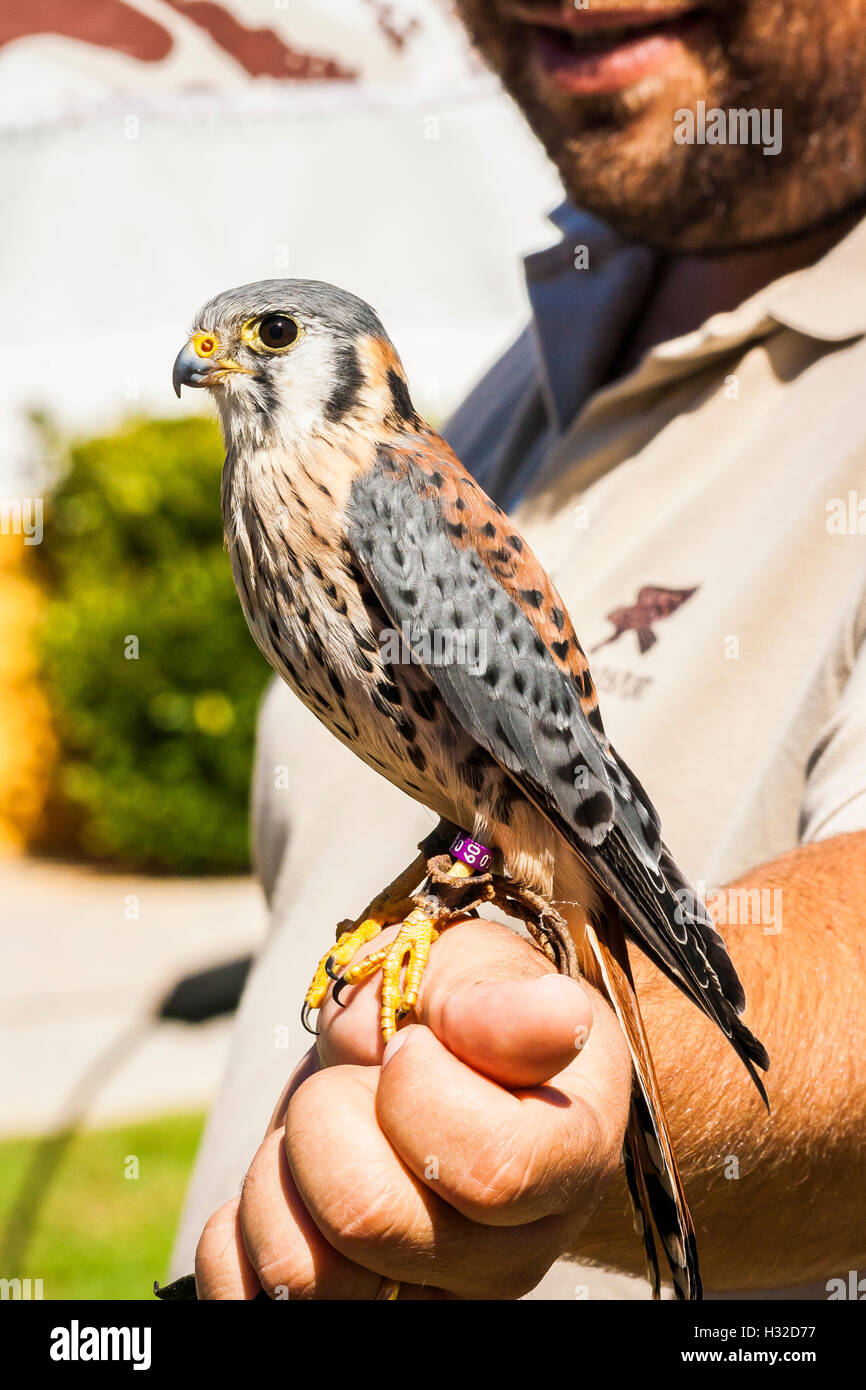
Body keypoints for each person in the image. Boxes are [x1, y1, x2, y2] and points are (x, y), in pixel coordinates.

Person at [177, 0, 866, 1298]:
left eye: (266, 338)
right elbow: (440, 770)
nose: (217, 360)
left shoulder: (386, 492)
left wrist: (569, 1099)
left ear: (347, 365)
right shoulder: (517, 354)